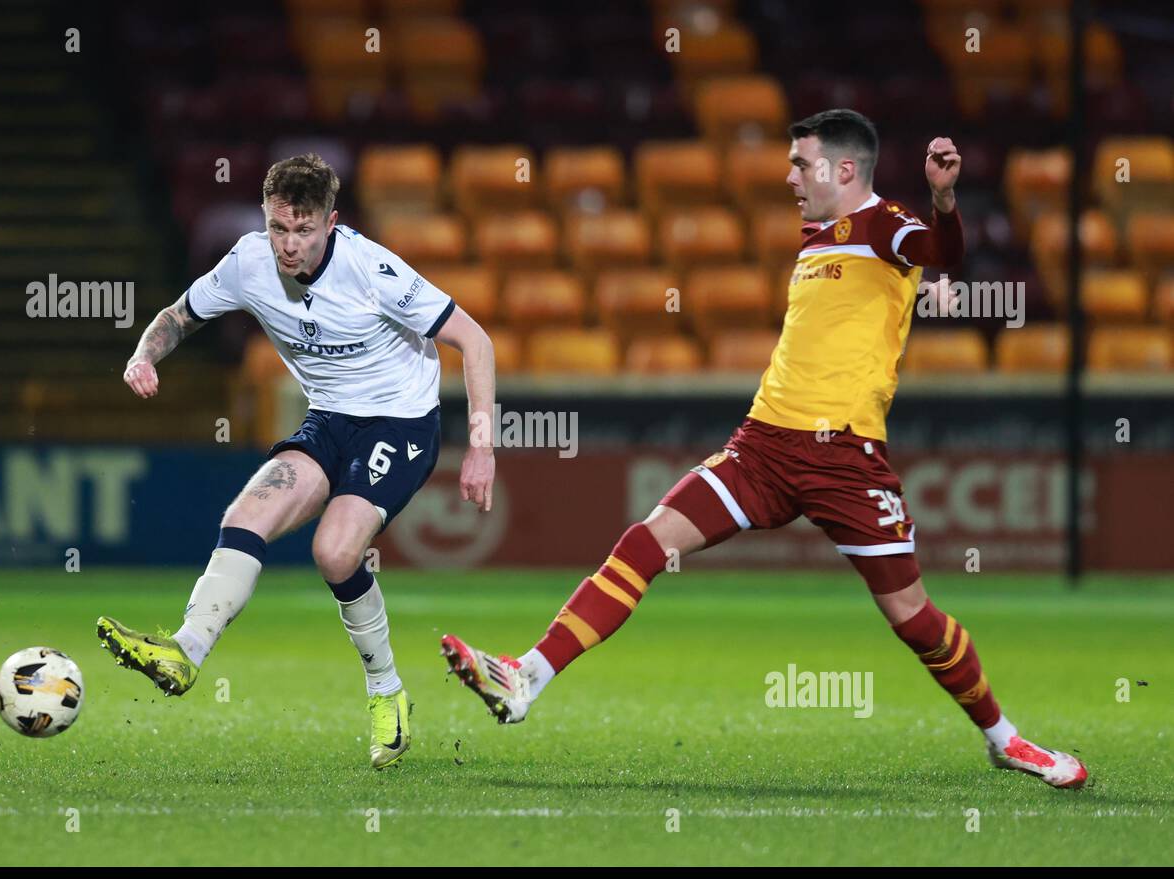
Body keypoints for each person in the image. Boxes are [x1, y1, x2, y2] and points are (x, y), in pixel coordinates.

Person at [442, 110, 1087, 789]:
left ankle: (1005, 739)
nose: (788, 176)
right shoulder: (816, 240)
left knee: (913, 618)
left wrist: (946, 201)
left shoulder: (883, 226)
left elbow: (943, 254)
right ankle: (525, 679)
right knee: (645, 541)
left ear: (844, 169)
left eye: (800, 163)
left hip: (844, 459)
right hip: (763, 447)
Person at [99, 154, 496, 769]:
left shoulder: (373, 270)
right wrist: (143, 355)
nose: (289, 245)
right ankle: (186, 649)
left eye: (304, 231)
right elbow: (177, 317)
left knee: (336, 552)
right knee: (247, 513)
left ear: (331, 223)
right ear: (266, 218)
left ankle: (386, 691)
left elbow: (475, 339)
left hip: (400, 422)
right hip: (329, 419)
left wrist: (481, 447)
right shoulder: (247, 262)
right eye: (279, 228)